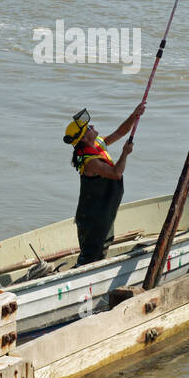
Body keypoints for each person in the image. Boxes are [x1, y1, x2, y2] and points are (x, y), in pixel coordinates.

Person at [64, 104, 144, 265]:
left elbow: (120, 132)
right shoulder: (90, 162)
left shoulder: (97, 144)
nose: (92, 126)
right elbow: (116, 173)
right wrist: (125, 153)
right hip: (93, 215)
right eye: (88, 128)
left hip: (104, 209)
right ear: (85, 139)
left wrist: (134, 115)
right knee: (91, 256)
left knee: (103, 246)